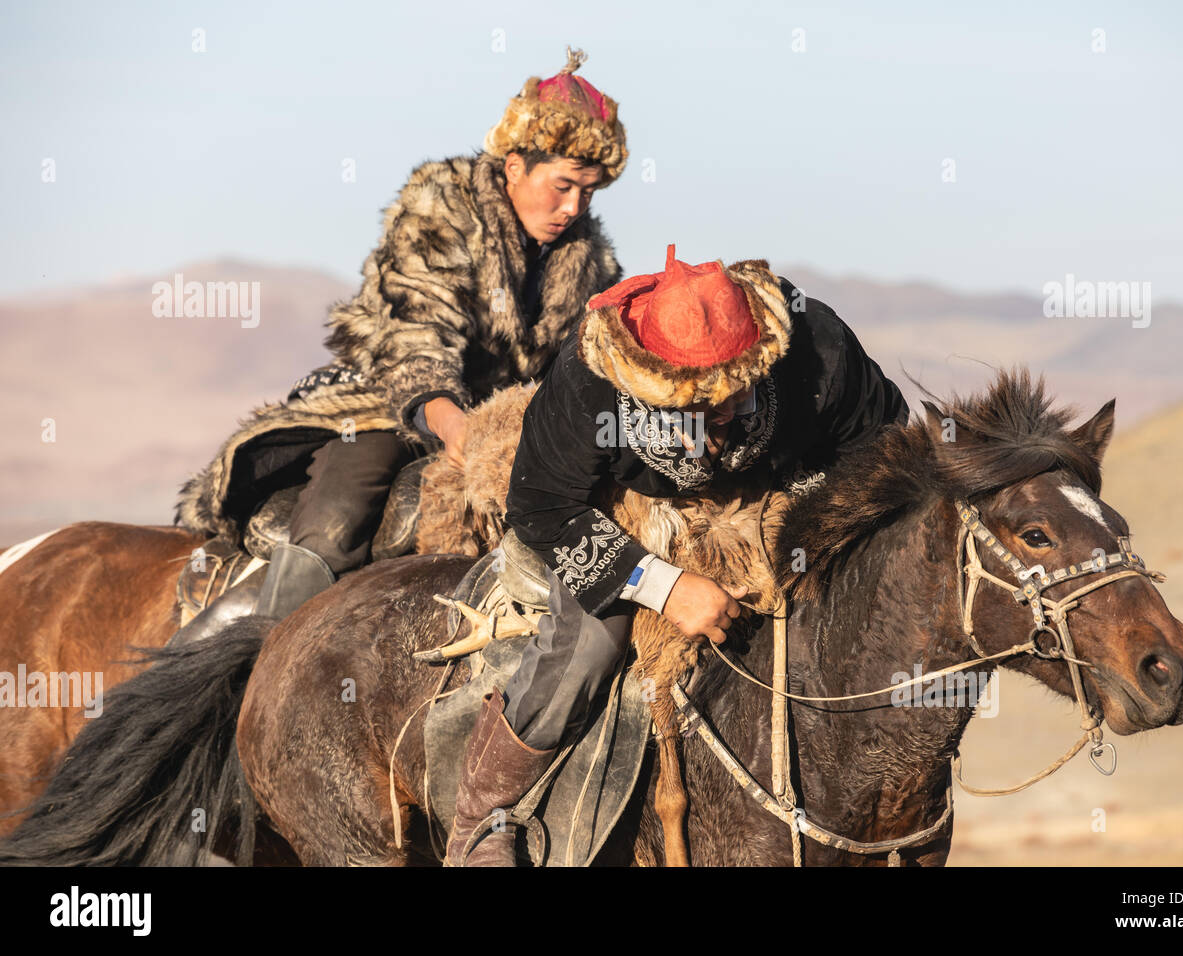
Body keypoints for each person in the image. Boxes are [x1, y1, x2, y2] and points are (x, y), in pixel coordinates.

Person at [443, 245, 910, 865]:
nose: (716, 421)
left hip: (780, 498)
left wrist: (809, 531)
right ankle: (485, 823)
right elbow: (541, 506)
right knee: (589, 646)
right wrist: (666, 586)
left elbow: (882, 447)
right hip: (623, 505)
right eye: (692, 408)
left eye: (733, 401)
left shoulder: (814, 345)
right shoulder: (590, 379)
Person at [171, 48, 627, 642]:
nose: (573, 208)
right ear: (515, 166)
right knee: (338, 524)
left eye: (588, 193)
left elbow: (588, 365)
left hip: (503, 430)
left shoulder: (591, 259)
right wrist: (459, 429)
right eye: (563, 186)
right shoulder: (440, 206)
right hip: (388, 402)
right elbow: (416, 337)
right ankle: (242, 666)